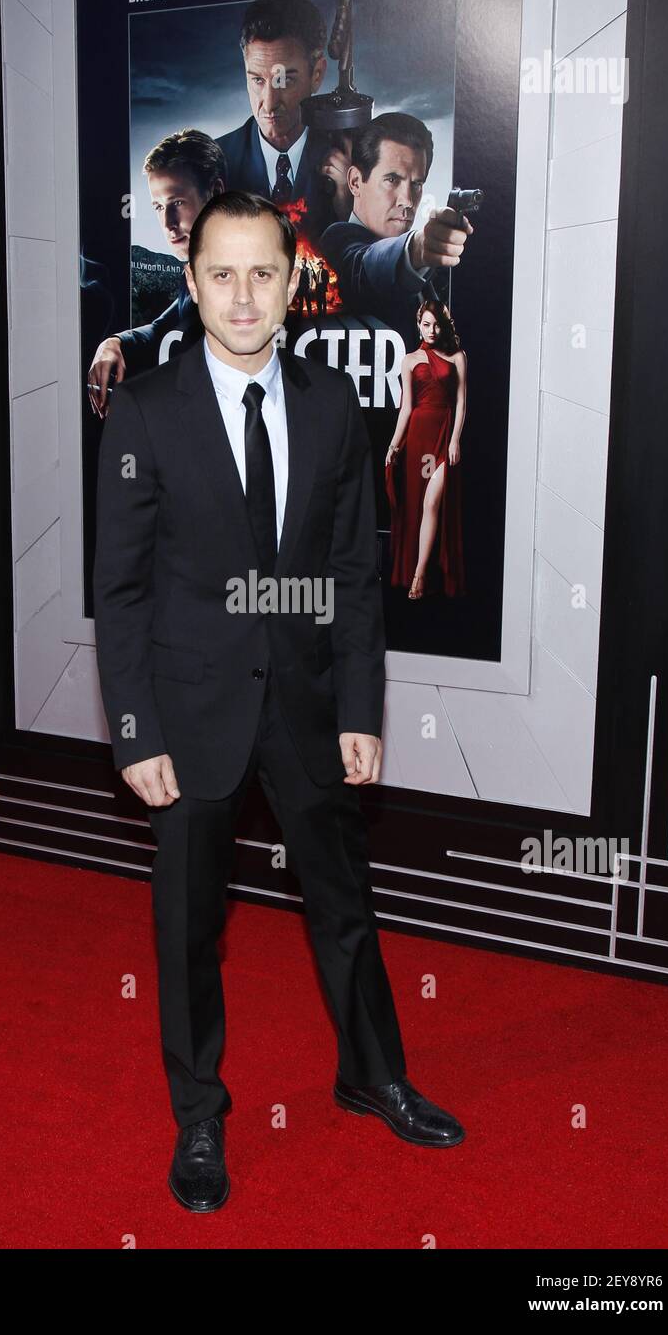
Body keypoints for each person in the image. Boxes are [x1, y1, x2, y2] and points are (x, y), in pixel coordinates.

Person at [92, 190, 465, 1213]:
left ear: (295, 281)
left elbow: (352, 572)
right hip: (187, 713)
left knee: (344, 904)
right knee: (186, 929)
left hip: (305, 706)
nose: (243, 294)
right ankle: (199, 1116)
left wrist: (359, 708)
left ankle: (371, 1072)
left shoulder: (331, 405)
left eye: (264, 272)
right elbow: (118, 587)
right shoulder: (146, 407)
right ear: (193, 279)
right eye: (221, 273)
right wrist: (134, 727)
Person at [87, 129, 225, 415]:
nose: (168, 223)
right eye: (158, 207)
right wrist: (113, 343)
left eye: (177, 203)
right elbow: (161, 328)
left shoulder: (240, 272)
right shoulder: (198, 271)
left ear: (215, 192)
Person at [319, 112, 474, 350]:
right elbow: (368, 266)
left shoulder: (429, 273)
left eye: (416, 184)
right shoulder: (337, 244)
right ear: (356, 182)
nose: (408, 201)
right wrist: (419, 249)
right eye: (392, 180)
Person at [216, 0, 353, 246]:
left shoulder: (352, 159)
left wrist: (351, 206)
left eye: (284, 80)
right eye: (257, 79)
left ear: (317, 74)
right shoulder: (214, 162)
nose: (268, 103)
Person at [385, 300, 467, 598]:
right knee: (419, 503)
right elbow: (406, 408)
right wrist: (394, 445)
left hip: (443, 437)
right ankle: (418, 572)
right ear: (419, 325)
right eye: (426, 324)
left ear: (444, 324)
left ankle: (418, 577)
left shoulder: (457, 356)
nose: (432, 330)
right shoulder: (409, 360)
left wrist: (455, 438)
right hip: (419, 438)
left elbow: (461, 403)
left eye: (436, 324)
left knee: (432, 502)